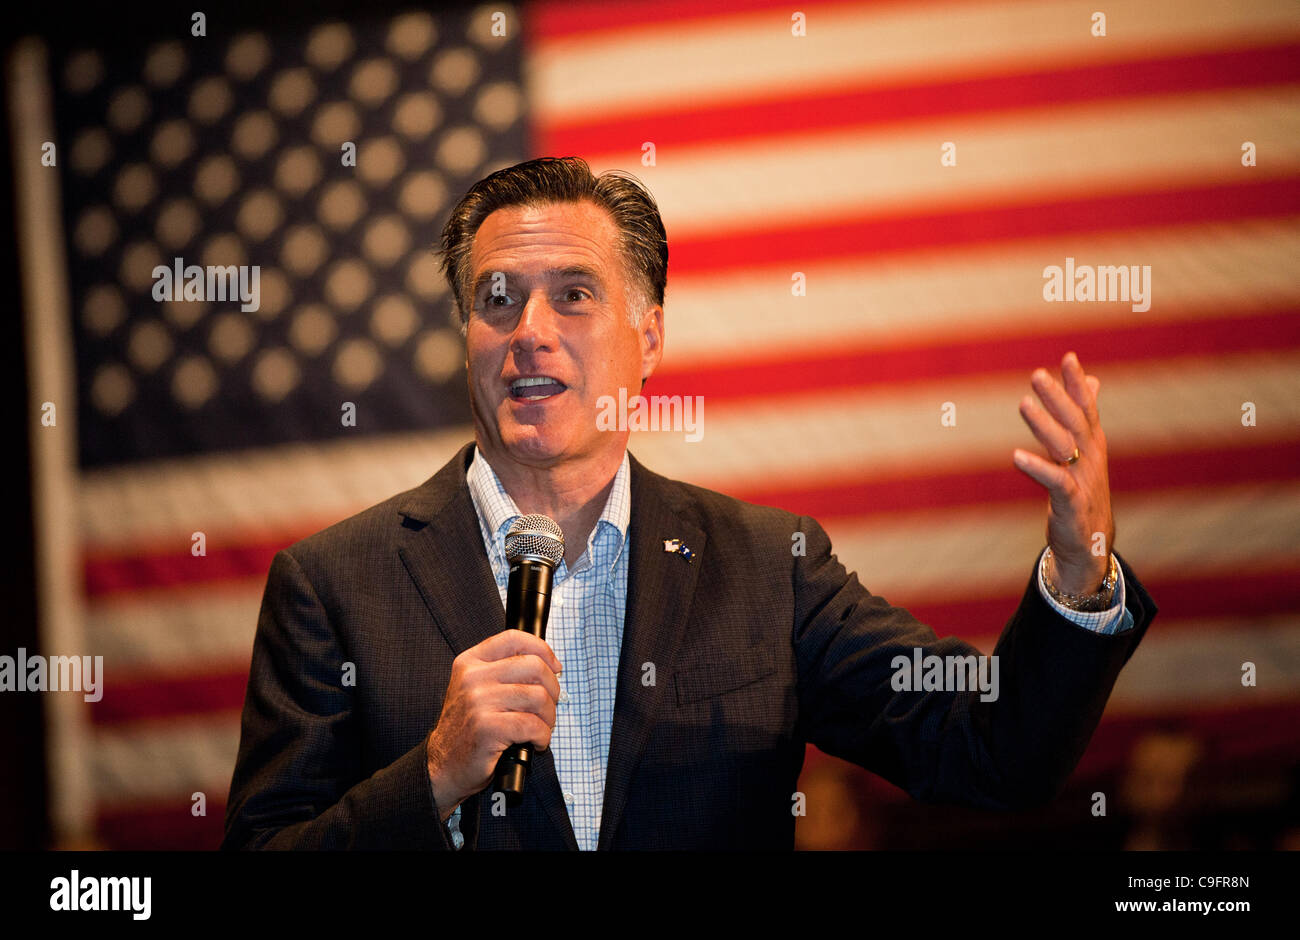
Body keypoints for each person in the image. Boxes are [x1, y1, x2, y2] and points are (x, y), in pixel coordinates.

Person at [222, 156, 1157, 850]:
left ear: (649, 336)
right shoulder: (332, 586)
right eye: (496, 300)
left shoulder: (769, 568)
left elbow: (992, 751)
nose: (529, 333)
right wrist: (429, 777)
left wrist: (1080, 582)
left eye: (574, 295)